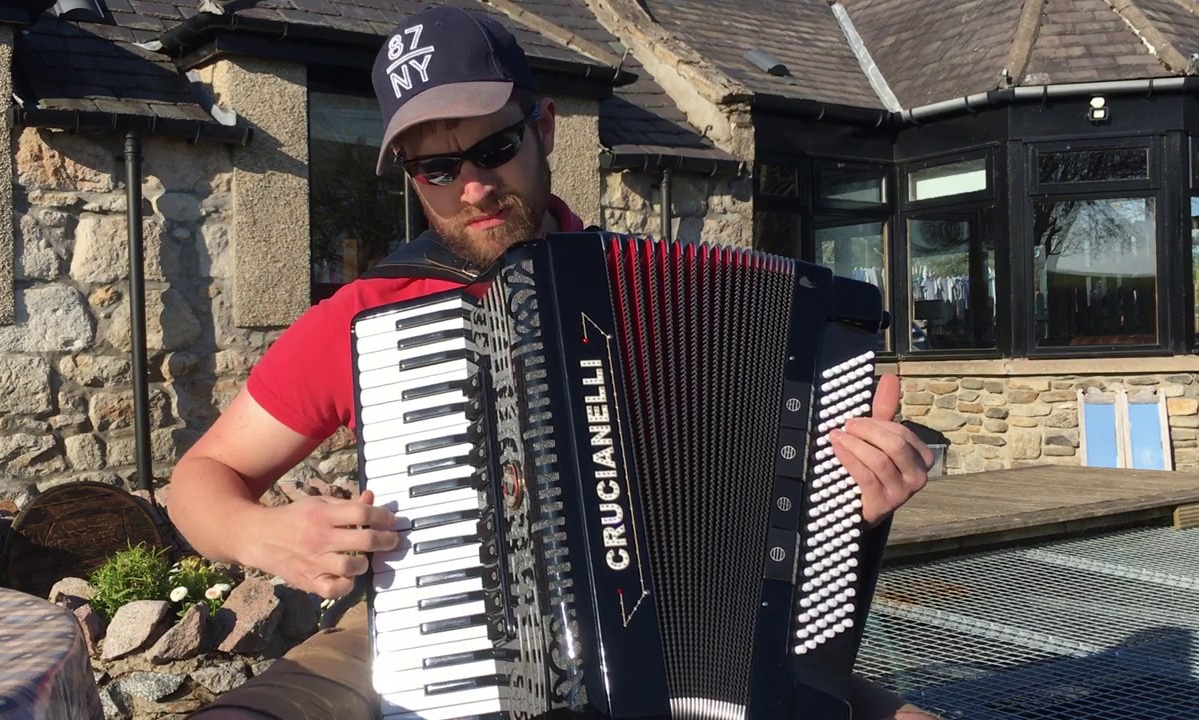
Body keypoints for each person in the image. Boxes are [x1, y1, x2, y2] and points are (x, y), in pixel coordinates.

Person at [171, 6, 937, 719]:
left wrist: (847, 498)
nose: (471, 186)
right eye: (435, 168)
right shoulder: (370, 313)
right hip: (438, 630)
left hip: (687, 644)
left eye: (493, 148)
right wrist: (261, 534)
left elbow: (773, 522)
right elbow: (198, 483)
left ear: (543, 128)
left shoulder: (651, 290)